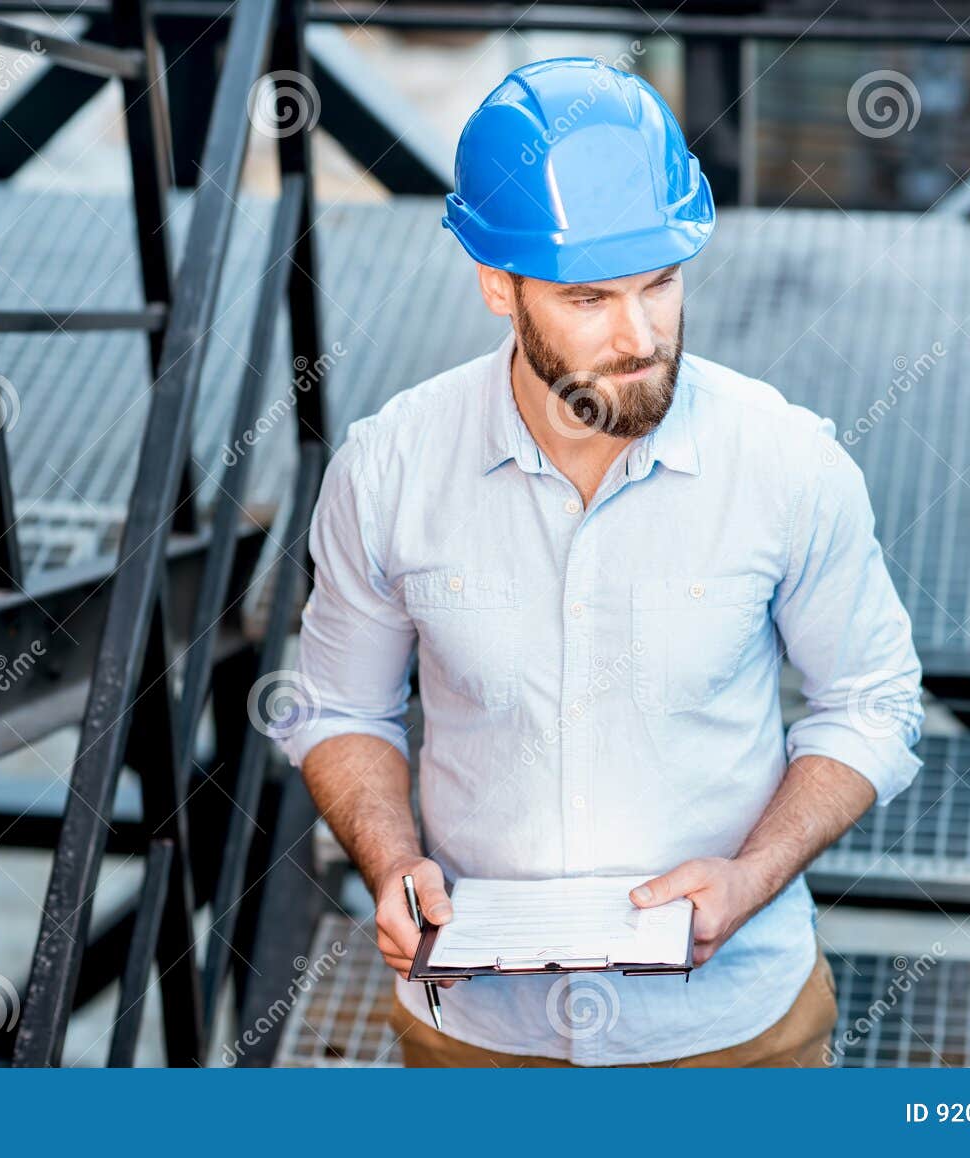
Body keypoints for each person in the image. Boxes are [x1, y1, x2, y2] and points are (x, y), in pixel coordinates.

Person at [277, 56, 923, 1068]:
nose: (639, 337)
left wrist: (751, 877)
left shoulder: (790, 463)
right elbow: (335, 707)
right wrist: (391, 862)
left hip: (735, 1040)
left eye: (661, 283)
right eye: (589, 300)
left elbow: (871, 703)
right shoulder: (389, 467)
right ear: (499, 285)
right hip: (474, 1038)